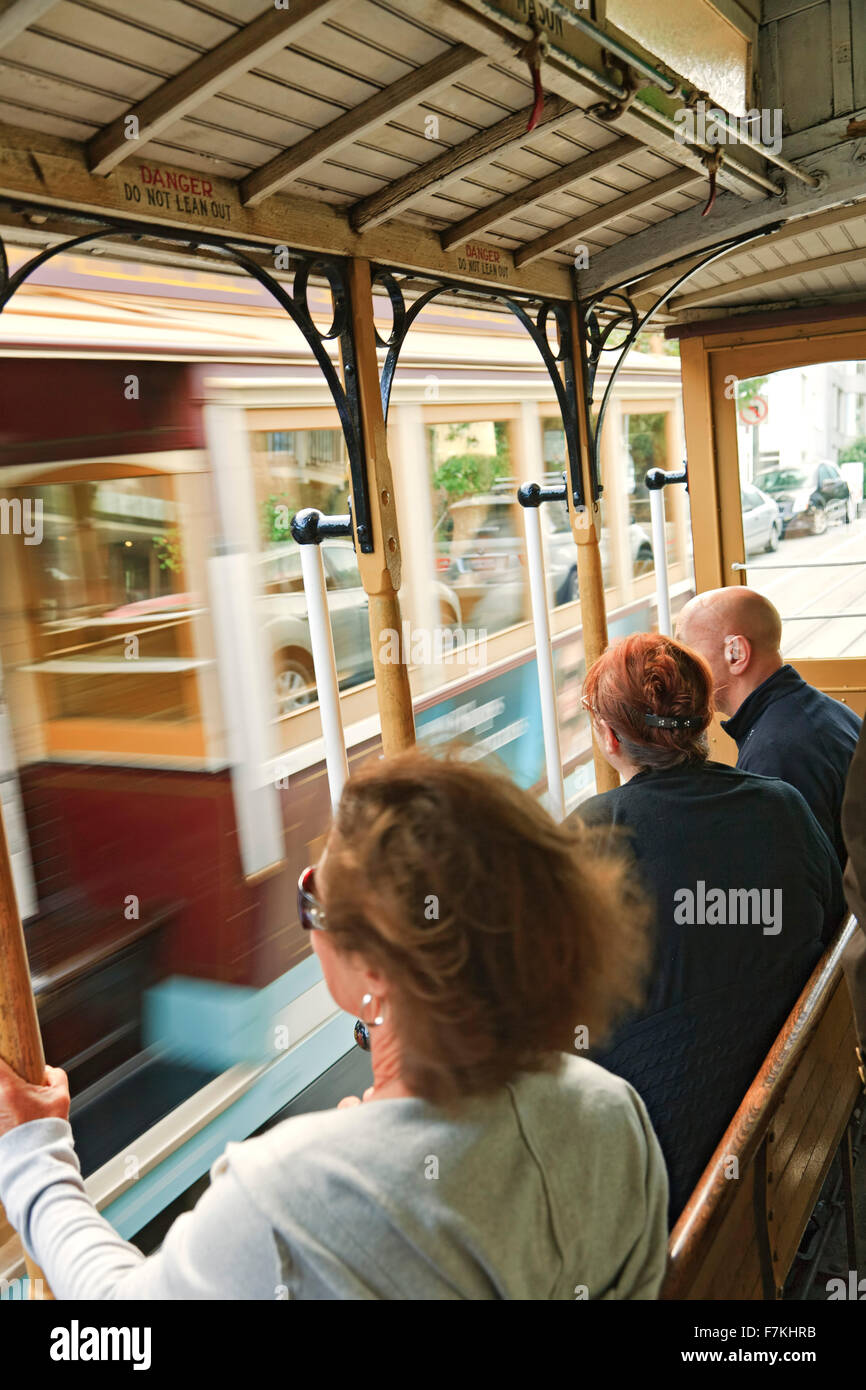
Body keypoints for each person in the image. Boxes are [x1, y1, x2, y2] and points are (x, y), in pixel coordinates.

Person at [0, 748, 669, 1301]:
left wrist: (35, 1155)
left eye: (314, 896)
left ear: (374, 966)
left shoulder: (279, 1200)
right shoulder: (611, 1112)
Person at [573, 632, 846, 1223]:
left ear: (609, 737)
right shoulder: (782, 805)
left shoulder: (592, 834)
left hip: (672, 1148)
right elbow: (829, 924)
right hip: (799, 1100)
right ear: (702, 719)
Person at [676, 586, 861, 866]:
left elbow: (792, 880)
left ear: (736, 653)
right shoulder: (814, 712)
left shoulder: (776, 753)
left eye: (687, 653)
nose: (680, 669)